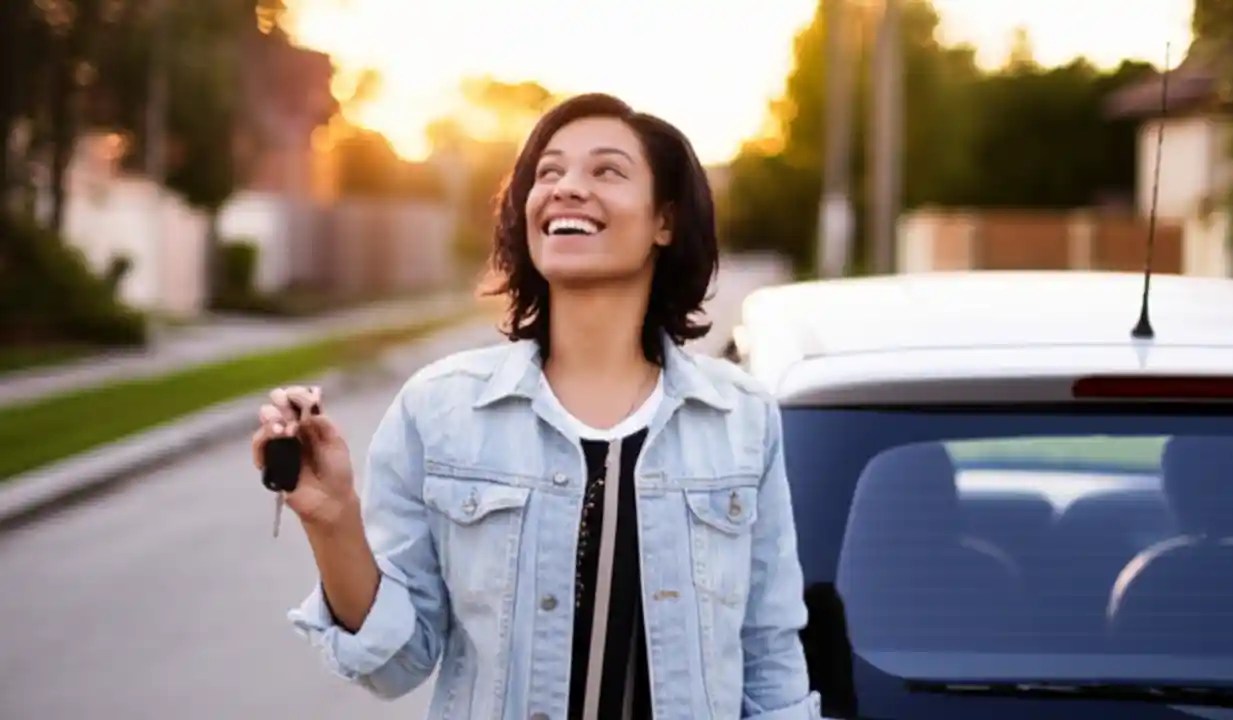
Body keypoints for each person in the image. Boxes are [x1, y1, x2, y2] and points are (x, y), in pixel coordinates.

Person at [251, 92, 820, 719]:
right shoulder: (440, 410)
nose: (566, 188)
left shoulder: (740, 419)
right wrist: (333, 520)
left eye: (606, 170)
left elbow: (770, 658)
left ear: (665, 221)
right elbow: (394, 664)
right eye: (549, 172)